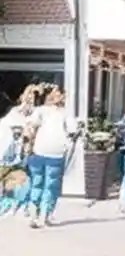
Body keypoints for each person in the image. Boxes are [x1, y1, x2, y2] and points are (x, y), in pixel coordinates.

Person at [26, 87, 79, 228]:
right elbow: (73, 131)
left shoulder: (40, 111)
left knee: (37, 181)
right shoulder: (65, 113)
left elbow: (30, 126)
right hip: (56, 151)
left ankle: (33, 213)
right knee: (51, 184)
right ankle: (46, 214)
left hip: (38, 149)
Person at [0, 123, 30, 217]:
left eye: (18, 133)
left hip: (17, 167)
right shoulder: (10, 142)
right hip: (8, 166)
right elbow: (6, 157)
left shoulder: (23, 143)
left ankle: (16, 206)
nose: (17, 135)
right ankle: (6, 204)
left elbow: (22, 158)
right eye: (15, 132)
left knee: (18, 183)